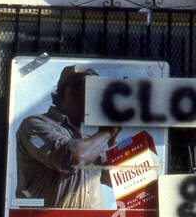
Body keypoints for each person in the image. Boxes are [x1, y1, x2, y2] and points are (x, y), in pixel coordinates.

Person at [14, 64, 123, 208]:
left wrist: (113, 142)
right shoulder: (34, 125)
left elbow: (118, 182)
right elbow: (74, 157)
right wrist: (106, 132)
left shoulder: (89, 141)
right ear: (70, 93)